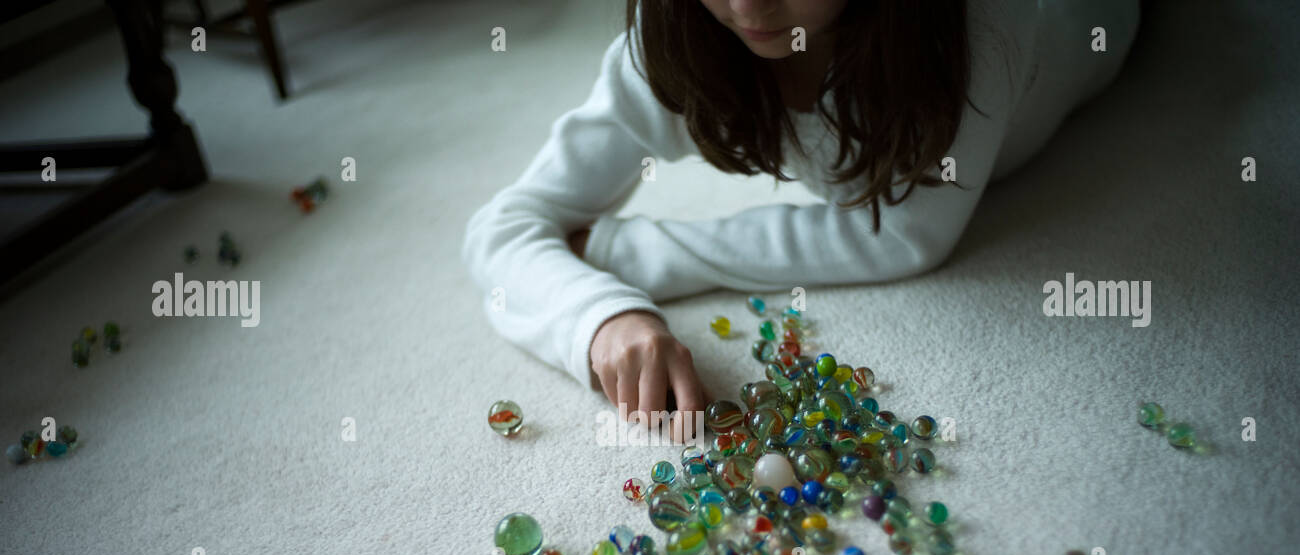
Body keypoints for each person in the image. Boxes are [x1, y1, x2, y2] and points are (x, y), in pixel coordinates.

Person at [462, 0, 1140, 437]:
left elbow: (906, 233)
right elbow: (506, 223)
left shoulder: (977, 26)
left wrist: (630, 256)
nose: (747, 5)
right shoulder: (684, 29)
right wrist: (601, 319)